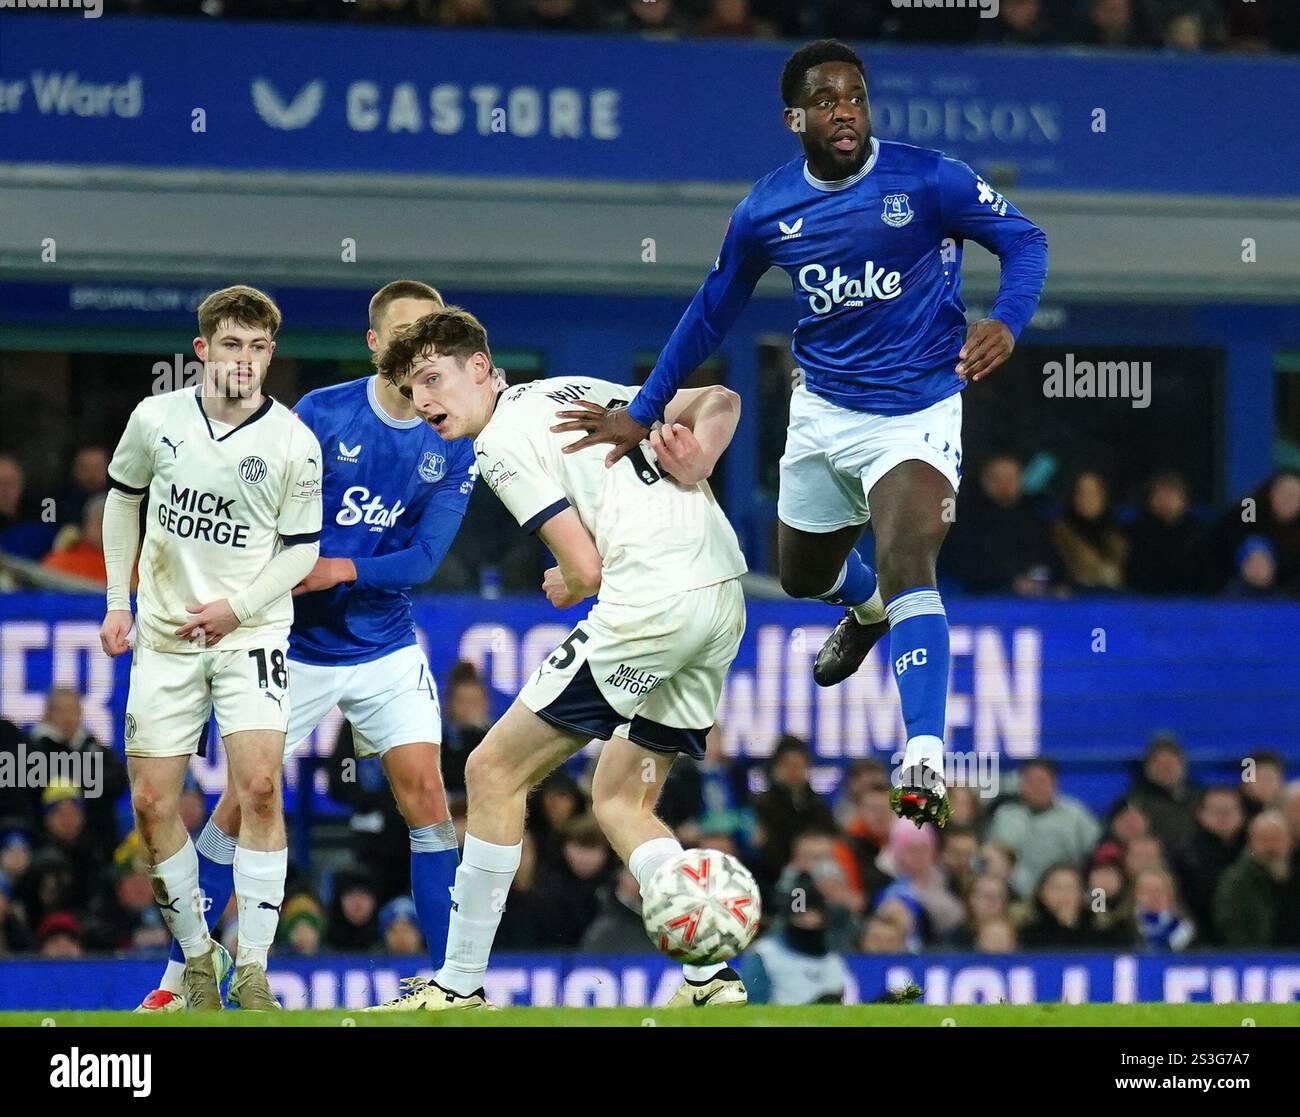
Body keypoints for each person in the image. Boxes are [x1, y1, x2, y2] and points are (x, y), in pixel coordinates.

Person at [549, 39, 1047, 827]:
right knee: (803, 575)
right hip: (822, 412)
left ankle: (922, 751)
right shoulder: (767, 209)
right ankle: (867, 609)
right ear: (794, 117)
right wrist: (642, 410)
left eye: (854, 95)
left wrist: (1009, 321)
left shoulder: (929, 177)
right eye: (824, 99)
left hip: (917, 410)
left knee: (910, 552)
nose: (843, 109)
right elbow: (713, 307)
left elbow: (1025, 239)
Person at [375, 305, 750, 1009]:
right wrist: (704, 454)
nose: (424, 400)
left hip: (652, 600)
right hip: (722, 593)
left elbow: (584, 565)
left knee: (491, 770)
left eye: (433, 377)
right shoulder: (571, 387)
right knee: (619, 796)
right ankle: (709, 974)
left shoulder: (497, 444)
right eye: (410, 389)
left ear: (480, 368)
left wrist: (568, 579)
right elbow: (720, 398)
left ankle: (457, 985)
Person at [136, 280, 473, 1015]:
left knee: (427, 793)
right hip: (294, 641)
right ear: (376, 344)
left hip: (384, 642)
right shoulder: (320, 415)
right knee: (241, 800)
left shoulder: (453, 436)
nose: (421, 350)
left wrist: (339, 568)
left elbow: (421, 561)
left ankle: (452, 981)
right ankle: (180, 972)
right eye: (407, 335)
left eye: (433, 337)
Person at [100, 284, 323, 1012]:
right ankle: (199, 955)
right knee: (150, 803)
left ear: (270, 355)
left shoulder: (293, 440)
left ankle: (254, 968)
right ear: (203, 350)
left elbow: (301, 552)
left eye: (259, 347)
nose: (246, 360)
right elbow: (122, 496)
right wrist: (116, 601)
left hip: (250, 632)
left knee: (259, 786)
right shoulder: (155, 418)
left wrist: (238, 608)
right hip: (164, 637)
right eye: (232, 344)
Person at [984, 758, 1102, 898]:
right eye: (1030, 782)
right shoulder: (1005, 815)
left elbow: (1099, 850)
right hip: (1012, 895)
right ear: (1021, 785)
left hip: (1065, 894)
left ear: (1055, 784)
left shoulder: (1075, 814)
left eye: (1041, 782)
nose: (1036, 788)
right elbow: (989, 856)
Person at [29, 687, 129, 851]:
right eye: (61, 711)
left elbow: (118, 781)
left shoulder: (94, 746)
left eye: (73, 710)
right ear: (48, 714)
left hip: (99, 841)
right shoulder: (34, 749)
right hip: (46, 842)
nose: (68, 718)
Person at [1212, 811, 1300, 947]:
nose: (1271, 846)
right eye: (1263, 839)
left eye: (1277, 838)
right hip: (1258, 960)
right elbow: (1231, 928)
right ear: (1250, 844)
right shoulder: (1236, 883)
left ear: (1290, 842)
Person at [1172, 785, 1245, 945]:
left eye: (1229, 810)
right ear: (1201, 814)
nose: (1224, 817)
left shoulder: (1252, 850)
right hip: (1203, 942)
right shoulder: (1185, 855)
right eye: (1217, 811)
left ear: (1241, 815)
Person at [1124, 469, 1202, 595]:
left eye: (1172, 493)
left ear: (1185, 500)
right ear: (1149, 499)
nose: (1166, 500)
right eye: (1161, 493)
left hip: (1189, 603)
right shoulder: (1134, 533)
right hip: (1141, 601)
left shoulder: (1198, 534)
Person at [1050, 471, 1128, 592]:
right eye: (1081, 493)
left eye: (1093, 492)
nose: (1087, 498)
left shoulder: (1118, 532)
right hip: (1079, 598)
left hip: (1117, 600)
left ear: (1103, 496)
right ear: (1074, 497)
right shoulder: (1060, 531)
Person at [41, 494, 108, 584]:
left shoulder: (129, 566)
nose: (105, 529)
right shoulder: (63, 562)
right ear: (86, 525)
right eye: (100, 522)